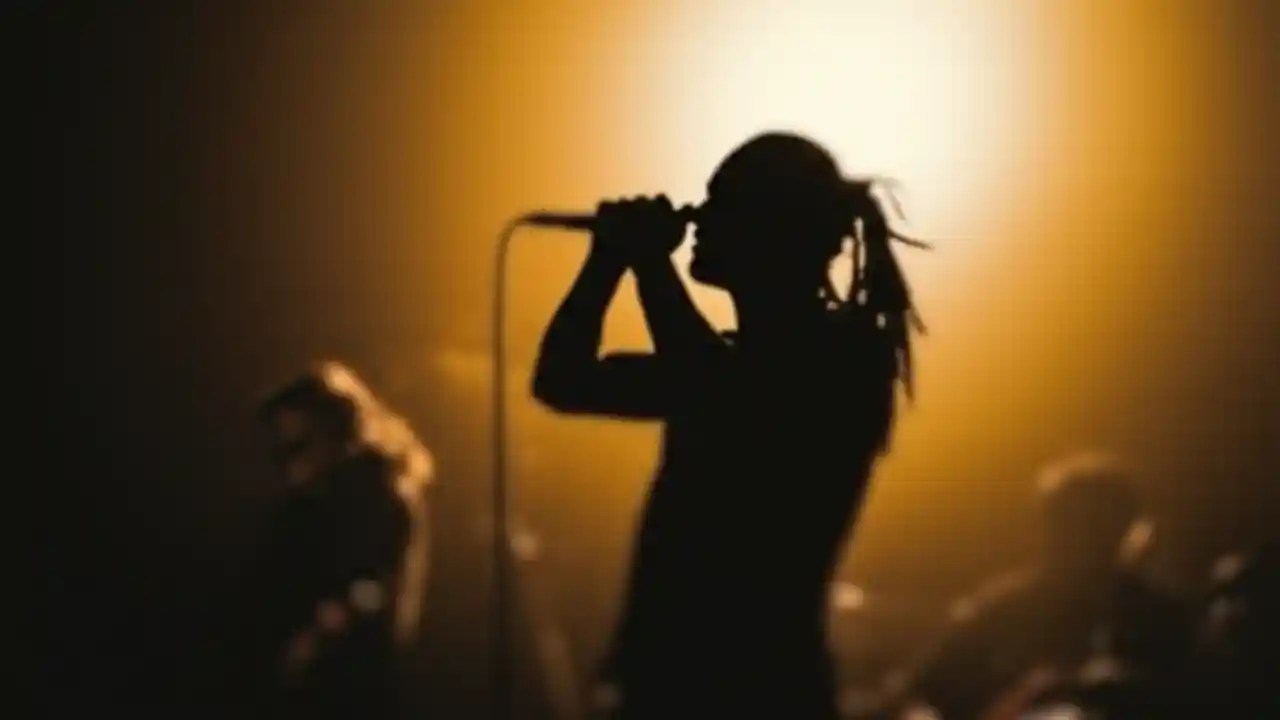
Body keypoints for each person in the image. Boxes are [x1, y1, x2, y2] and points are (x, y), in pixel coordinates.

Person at [532, 132, 928, 717]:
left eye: (719, 203)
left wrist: (647, 262)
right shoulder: (729, 358)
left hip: (753, 686)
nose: (697, 217)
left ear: (769, 228)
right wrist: (606, 262)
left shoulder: (842, 357)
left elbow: (726, 398)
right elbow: (563, 381)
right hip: (670, 682)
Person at [895, 453, 1190, 719]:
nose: (1083, 539)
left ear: (1123, 528)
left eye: (1097, 524)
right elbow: (923, 692)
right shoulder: (1005, 607)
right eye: (1070, 523)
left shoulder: (1161, 618)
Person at [234, 361, 433, 720]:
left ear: (336, 435)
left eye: (299, 445)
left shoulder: (383, 500)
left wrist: (316, 635)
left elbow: (375, 588)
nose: (288, 463)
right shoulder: (304, 507)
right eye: (281, 448)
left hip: (349, 689)